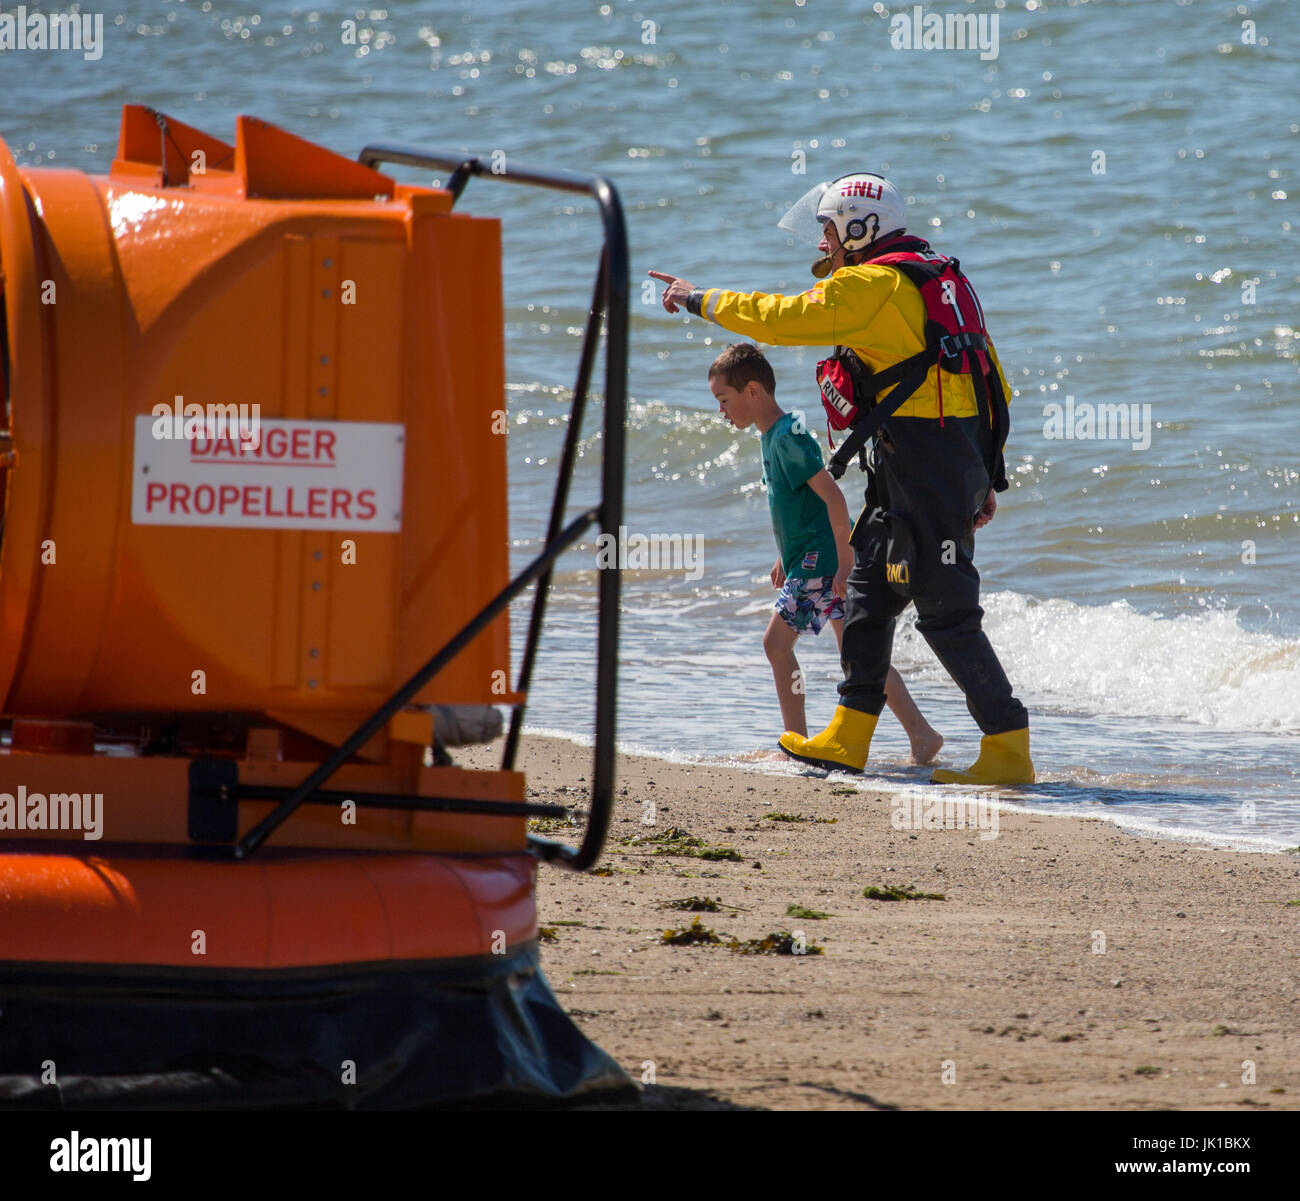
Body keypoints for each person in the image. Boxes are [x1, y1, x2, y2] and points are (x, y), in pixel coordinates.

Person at [650, 171, 1034, 785]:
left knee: (945, 612)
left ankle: (1009, 747)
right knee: (868, 592)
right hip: (926, 459)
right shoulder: (940, 276)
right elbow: (991, 381)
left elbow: (784, 320)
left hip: (929, 464)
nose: (822, 242)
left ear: (860, 229)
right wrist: (986, 473)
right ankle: (849, 736)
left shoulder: (875, 282)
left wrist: (700, 299)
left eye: (828, 230)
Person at [708, 342, 943, 764]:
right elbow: (800, 505)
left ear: (754, 391)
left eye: (724, 400)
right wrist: (786, 554)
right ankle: (921, 734)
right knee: (858, 655)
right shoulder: (771, 437)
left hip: (823, 563)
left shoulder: (788, 437)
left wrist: (844, 560)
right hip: (812, 558)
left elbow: (834, 497)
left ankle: (794, 739)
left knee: (776, 645)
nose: (721, 411)